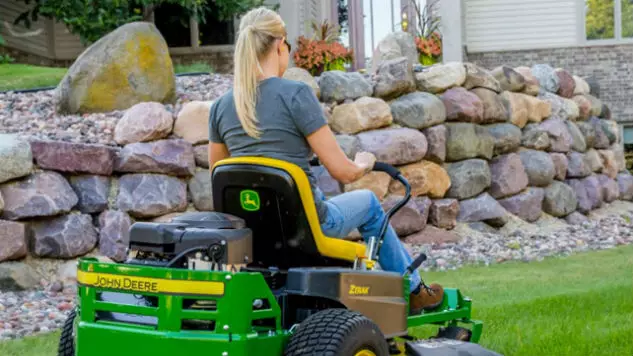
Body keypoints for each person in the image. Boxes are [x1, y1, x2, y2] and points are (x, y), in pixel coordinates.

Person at [207, 7, 444, 314]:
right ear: (280, 45)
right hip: (306, 227)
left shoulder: (221, 106)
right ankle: (413, 290)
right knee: (370, 204)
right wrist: (363, 162)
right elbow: (342, 172)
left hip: (252, 232)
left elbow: (218, 177)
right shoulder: (295, 94)